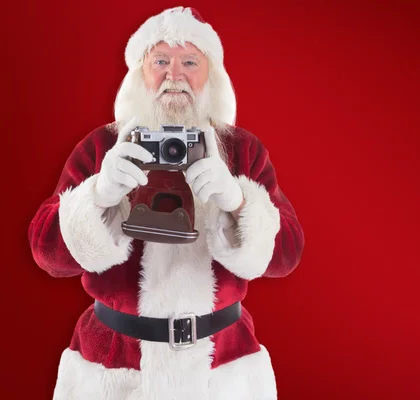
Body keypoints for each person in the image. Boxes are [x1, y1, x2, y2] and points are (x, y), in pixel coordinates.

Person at [27, 6, 304, 400]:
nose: (174, 76)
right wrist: (97, 198)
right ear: (141, 72)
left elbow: (288, 255)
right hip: (115, 371)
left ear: (211, 75)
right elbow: (46, 254)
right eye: (160, 61)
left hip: (221, 370)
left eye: (190, 61)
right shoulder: (103, 146)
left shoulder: (241, 150)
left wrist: (239, 203)